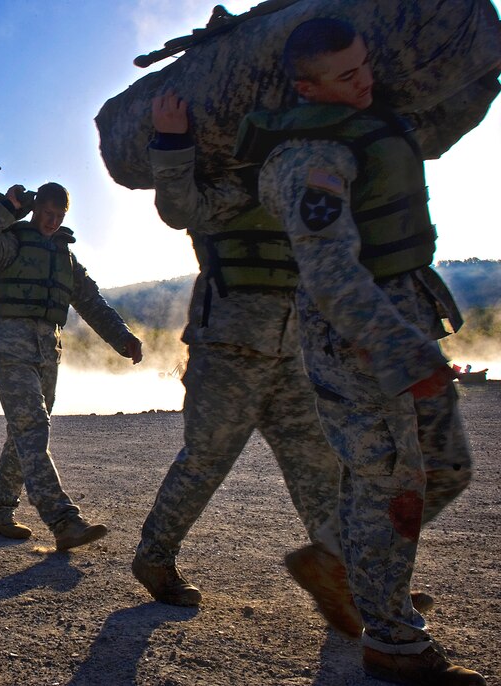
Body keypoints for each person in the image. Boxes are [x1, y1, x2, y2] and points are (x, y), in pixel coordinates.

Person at [239, 17, 482, 685]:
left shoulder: (373, 121)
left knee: (447, 469)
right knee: (391, 487)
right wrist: (404, 355)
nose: (365, 80)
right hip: (355, 336)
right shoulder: (306, 156)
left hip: (402, 314)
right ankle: (394, 645)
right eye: (346, 75)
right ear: (306, 87)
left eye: (364, 65)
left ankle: (344, 561)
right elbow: (329, 270)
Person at [129, 90, 345, 612]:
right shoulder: (229, 189)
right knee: (205, 460)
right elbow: (176, 206)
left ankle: (359, 583)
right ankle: (154, 556)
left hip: (292, 351)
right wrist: (174, 141)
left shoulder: (297, 194)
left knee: (319, 467)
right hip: (227, 349)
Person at [0, 182, 143, 551]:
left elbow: (91, 302)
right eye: (46, 213)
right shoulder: (12, 241)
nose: (51, 221)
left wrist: (122, 337)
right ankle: (63, 521)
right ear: (35, 209)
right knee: (32, 426)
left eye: (58, 216)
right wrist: (3, 210)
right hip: (11, 348)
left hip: (48, 352)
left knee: (23, 434)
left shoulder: (66, 257)